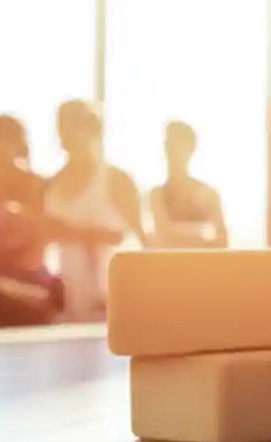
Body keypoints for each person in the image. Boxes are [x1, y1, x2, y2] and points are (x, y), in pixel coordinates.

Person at [45, 99, 147, 322]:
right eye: (62, 124)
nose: (65, 132)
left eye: (75, 123)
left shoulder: (118, 180)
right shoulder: (52, 184)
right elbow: (45, 236)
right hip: (71, 303)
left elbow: (144, 240)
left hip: (115, 302)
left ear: (94, 129)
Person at [0, 115, 58, 327]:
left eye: (5, 140)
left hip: (31, 284)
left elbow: (49, 235)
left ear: (20, 143)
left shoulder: (42, 186)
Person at [148, 121, 228, 249]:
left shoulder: (208, 194)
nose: (172, 151)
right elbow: (163, 240)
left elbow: (223, 241)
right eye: (169, 145)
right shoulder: (156, 195)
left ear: (191, 149)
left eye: (177, 145)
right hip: (170, 267)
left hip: (203, 266)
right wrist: (202, 240)